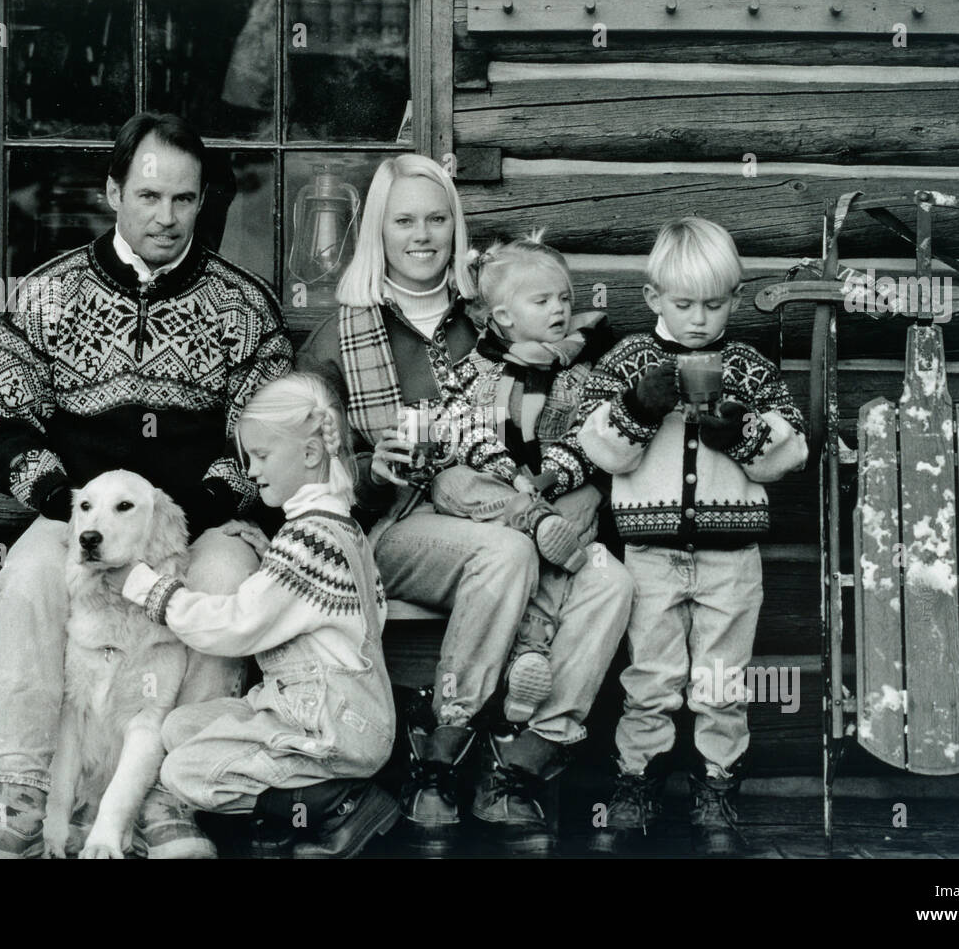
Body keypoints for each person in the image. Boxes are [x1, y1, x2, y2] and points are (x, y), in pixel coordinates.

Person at [0, 112, 292, 859]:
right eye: (148, 196)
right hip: (81, 514)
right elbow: (8, 421)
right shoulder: (46, 293)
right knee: (33, 576)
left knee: (226, 579)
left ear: (202, 201)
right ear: (114, 192)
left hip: (193, 524)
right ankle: (16, 797)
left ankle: (170, 798)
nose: (165, 217)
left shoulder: (246, 306)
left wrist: (182, 524)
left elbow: (260, 435)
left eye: (182, 199)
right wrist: (68, 514)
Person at [299, 154, 613, 856]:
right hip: (397, 526)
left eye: (436, 219)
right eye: (403, 220)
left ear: (455, 226)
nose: (422, 234)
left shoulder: (495, 319)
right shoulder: (341, 336)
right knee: (504, 550)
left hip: (518, 510)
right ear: (377, 231)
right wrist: (369, 470)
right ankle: (437, 761)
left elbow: (570, 382)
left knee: (610, 580)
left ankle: (522, 761)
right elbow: (303, 470)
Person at [546, 217, 807, 857]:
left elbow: (793, 447)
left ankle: (718, 787)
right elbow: (596, 448)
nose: (698, 320)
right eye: (684, 304)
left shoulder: (747, 367)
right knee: (651, 677)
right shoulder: (629, 361)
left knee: (721, 680)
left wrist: (740, 435)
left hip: (732, 557)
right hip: (650, 554)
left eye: (714, 305)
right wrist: (639, 408)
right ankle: (637, 781)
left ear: (735, 301)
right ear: (654, 297)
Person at [118, 373, 398, 859]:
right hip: (330, 710)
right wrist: (274, 561)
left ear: (310, 455)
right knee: (180, 728)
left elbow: (236, 626)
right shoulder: (339, 529)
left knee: (183, 772)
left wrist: (152, 590)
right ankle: (304, 809)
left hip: (328, 723)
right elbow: (329, 604)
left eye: (263, 457)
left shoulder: (307, 541)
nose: (251, 471)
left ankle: (342, 805)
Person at [428, 232, 626, 726]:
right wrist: (507, 477)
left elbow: (594, 436)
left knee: (558, 548)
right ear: (504, 317)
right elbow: (456, 425)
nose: (559, 309)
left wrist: (556, 479)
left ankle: (528, 663)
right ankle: (502, 689)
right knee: (449, 483)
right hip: (491, 498)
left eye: (565, 298)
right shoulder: (470, 370)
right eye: (542, 301)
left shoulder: (582, 372)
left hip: (549, 495)